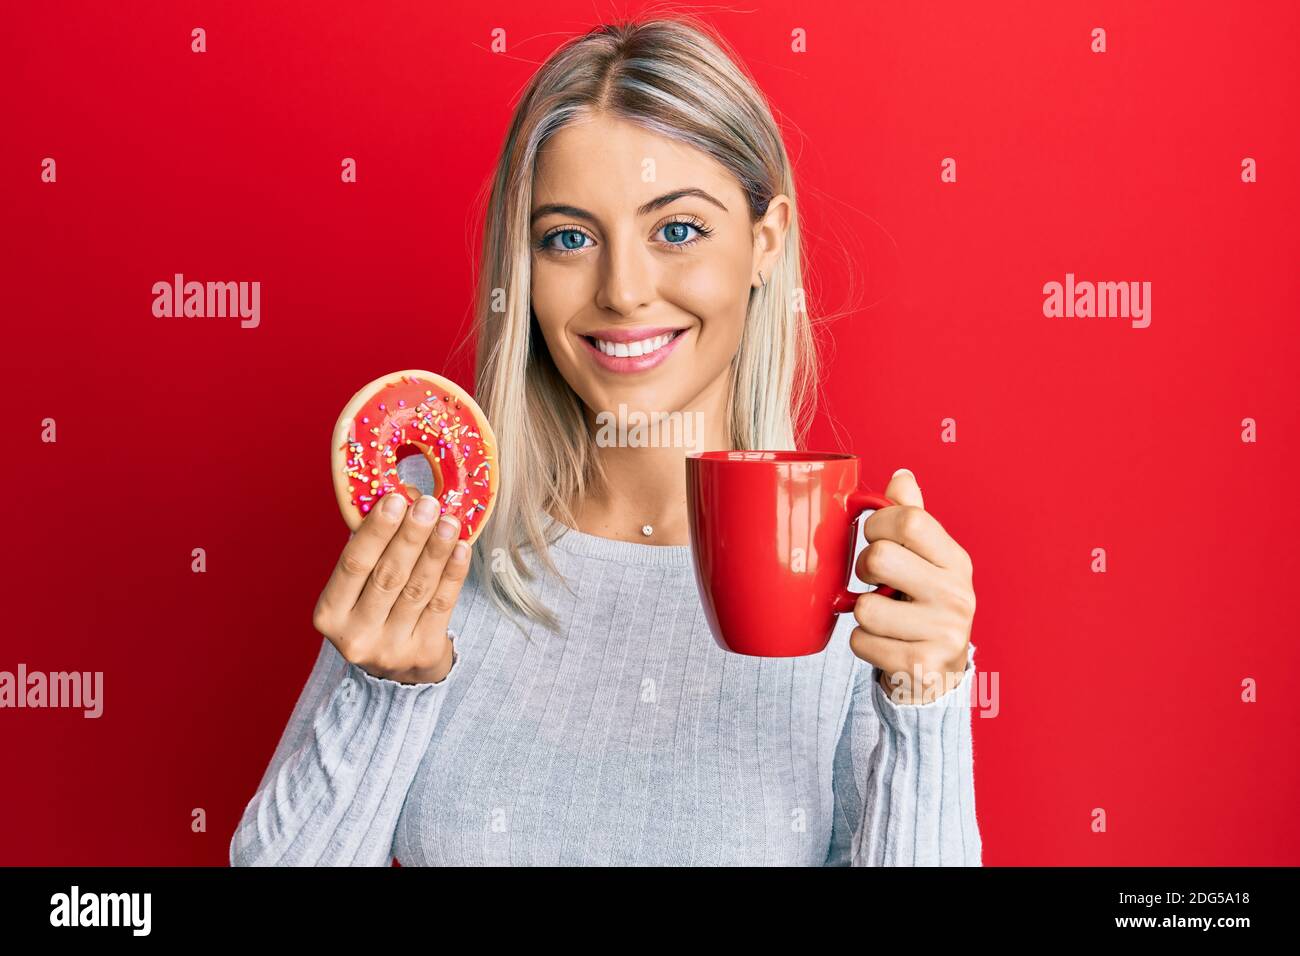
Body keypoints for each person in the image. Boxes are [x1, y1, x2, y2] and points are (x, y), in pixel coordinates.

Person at [230, 16, 982, 866]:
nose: (622, 292)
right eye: (570, 239)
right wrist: (385, 690)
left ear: (762, 245)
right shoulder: (444, 538)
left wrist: (926, 704)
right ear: (525, 268)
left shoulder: (861, 586)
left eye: (679, 230)